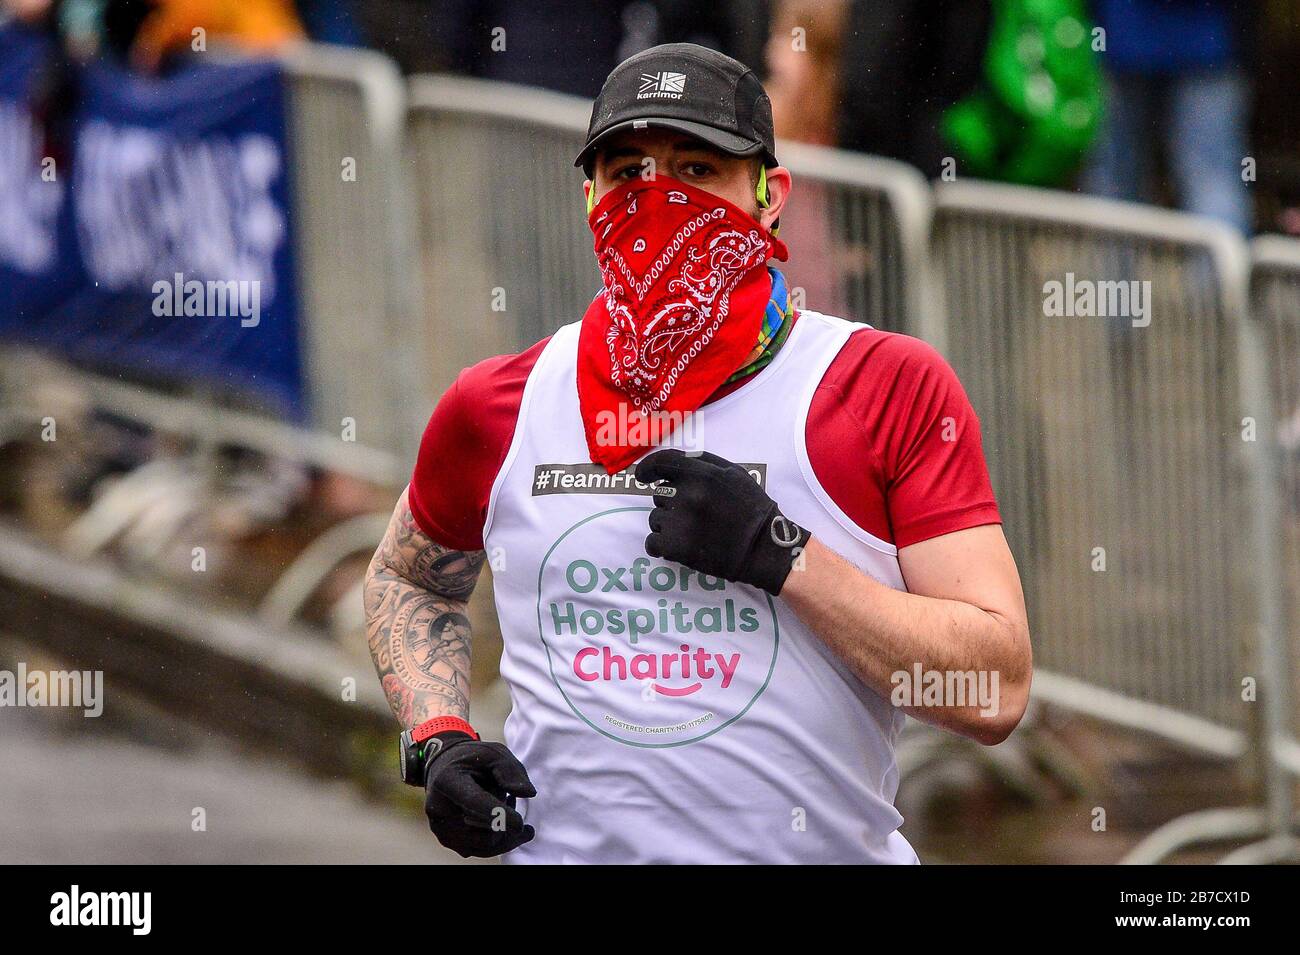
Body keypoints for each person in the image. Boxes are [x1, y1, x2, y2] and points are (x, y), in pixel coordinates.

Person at [364, 43, 1032, 864]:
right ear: (590, 197)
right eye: (627, 173)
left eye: (696, 168)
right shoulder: (502, 402)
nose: (660, 200)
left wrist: (783, 556)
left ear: (768, 197)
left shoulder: (884, 387)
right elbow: (407, 574)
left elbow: (995, 689)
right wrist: (439, 738)